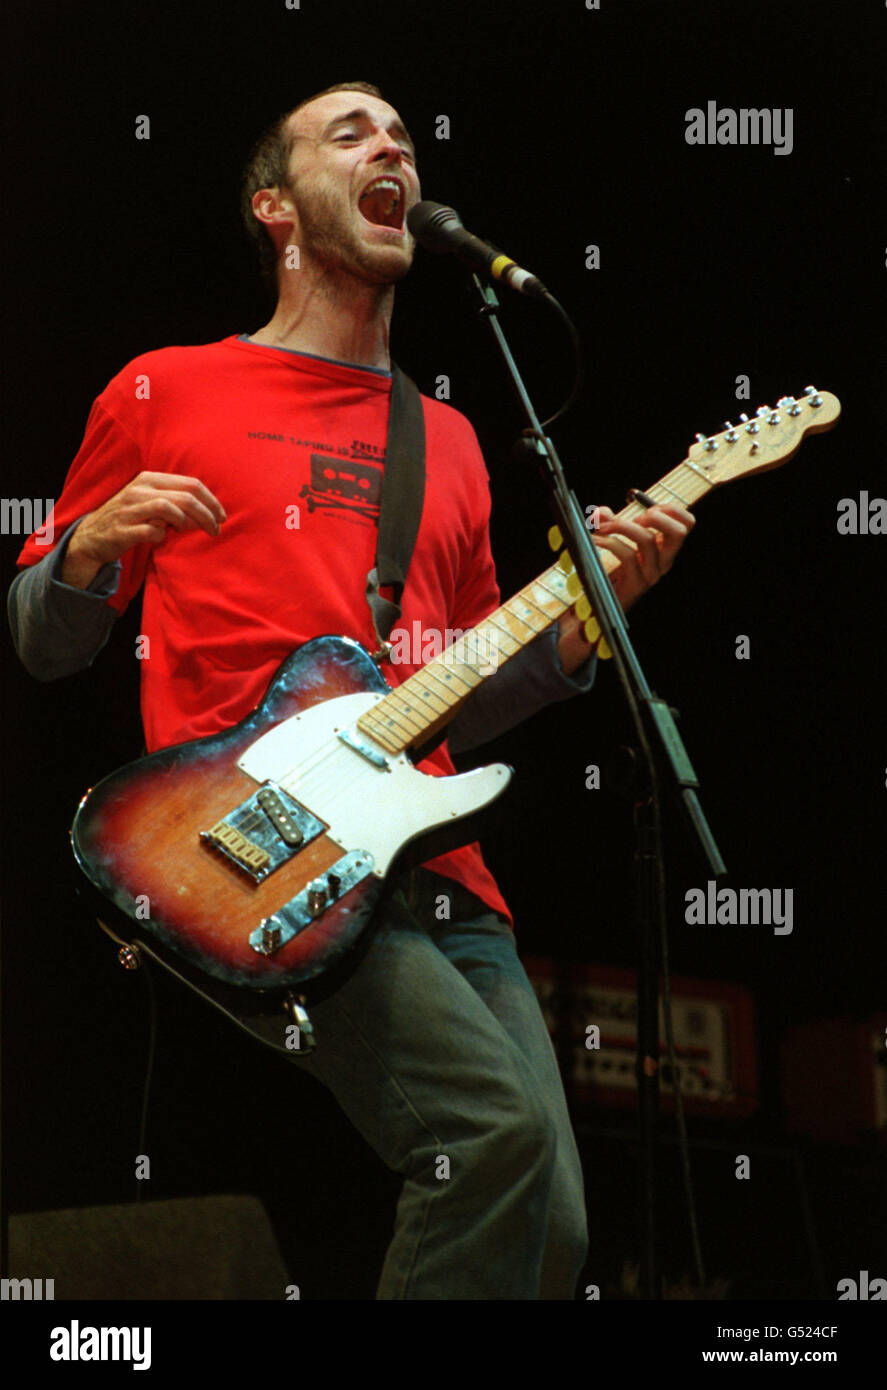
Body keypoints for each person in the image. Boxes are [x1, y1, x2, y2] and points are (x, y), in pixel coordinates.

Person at [8, 81, 695, 1299]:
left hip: (438, 865)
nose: (392, 149)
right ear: (274, 207)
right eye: (350, 135)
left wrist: (585, 623)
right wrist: (86, 548)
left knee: (551, 1233)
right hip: (250, 845)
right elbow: (42, 642)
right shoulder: (167, 387)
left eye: (405, 140)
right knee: (490, 1140)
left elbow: (452, 690)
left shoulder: (453, 443)